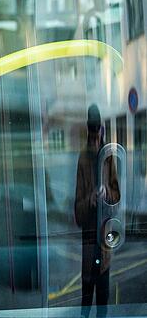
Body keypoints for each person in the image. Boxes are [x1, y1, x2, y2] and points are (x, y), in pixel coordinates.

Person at [75, 104, 118, 318]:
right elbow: (77, 213)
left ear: (101, 130)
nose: (94, 140)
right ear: (88, 131)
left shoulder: (108, 156)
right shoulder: (83, 159)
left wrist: (107, 192)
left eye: (96, 134)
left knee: (103, 301)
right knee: (86, 300)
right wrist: (90, 198)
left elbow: (117, 199)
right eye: (90, 135)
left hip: (105, 242)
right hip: (89, 240)